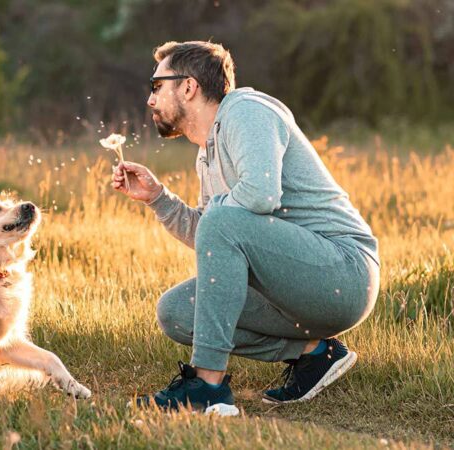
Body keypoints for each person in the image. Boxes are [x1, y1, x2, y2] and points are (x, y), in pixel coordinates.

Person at [111, 41, 380, 415]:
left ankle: (206, 386)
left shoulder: (246, 112)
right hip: (292, 288)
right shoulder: (208, 152)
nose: (150, 100)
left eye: (157, 86)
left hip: (344, 274)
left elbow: (258, 197)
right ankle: (315, 354)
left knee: (223, 219)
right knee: (175, 311)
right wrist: (159, 198)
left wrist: (217, 218)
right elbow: (215, 236)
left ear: (188, 87)